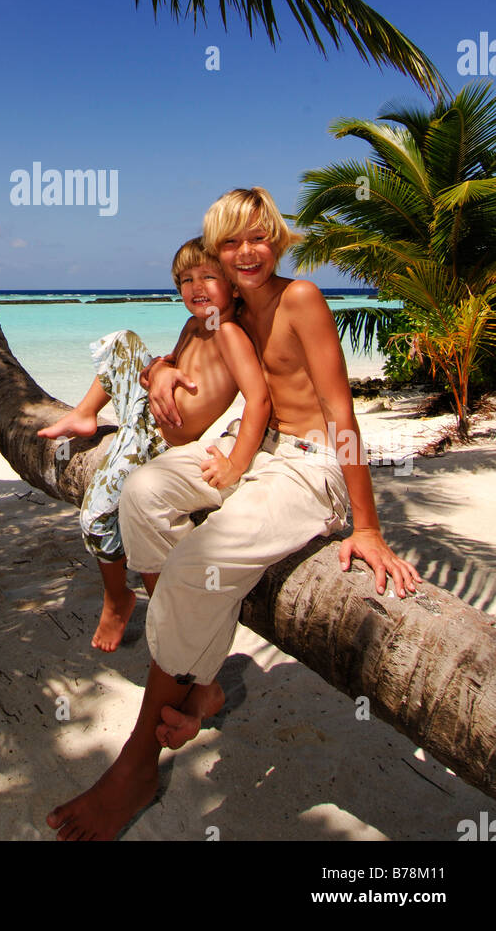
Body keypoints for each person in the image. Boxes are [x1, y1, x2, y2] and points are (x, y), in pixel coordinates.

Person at [47, 186, 422, 841]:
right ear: (215, 252)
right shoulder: (229, 307)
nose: (246, 251)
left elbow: (341, 414)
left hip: (308, 464)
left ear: (276, 239)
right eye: (230, 241)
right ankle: (196, 682)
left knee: (197, 562)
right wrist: (161, 370)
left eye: (258, 236)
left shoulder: (299, 298)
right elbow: (181, 351)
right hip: (253, 451)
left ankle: (138, 759)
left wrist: (366, 526)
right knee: (141, 495)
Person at [39, 238, 271, 652]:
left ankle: (117, 598)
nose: (196, 287)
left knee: (94, 517)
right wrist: (159, 370)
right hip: (145, 411)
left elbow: (260, 398)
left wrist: (237, 462)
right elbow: (161, 366)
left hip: (157, 439)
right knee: (120, 341)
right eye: (186, 279)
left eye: (208, 277)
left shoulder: (230, 334)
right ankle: (85, 413)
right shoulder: (194, 326)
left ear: (234, 286)